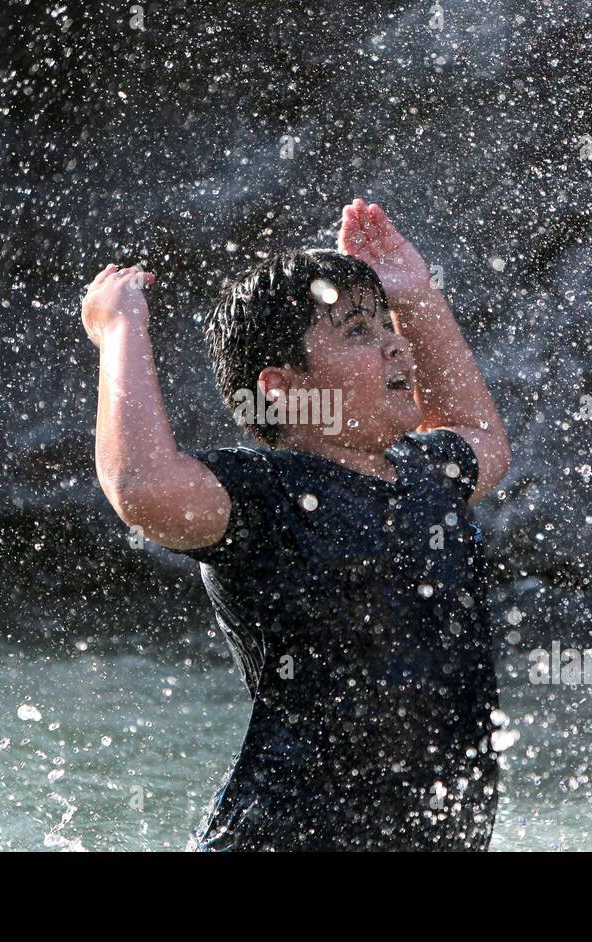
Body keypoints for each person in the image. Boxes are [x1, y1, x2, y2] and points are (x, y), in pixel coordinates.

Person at [82, 198, 511, 850]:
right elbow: (143, 487)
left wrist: (415, 297)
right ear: (282, 386)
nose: (394, 342)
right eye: (357, 331)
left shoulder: (430, 472)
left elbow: (482, 436)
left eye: (385, 325)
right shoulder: (268, 496)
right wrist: (120, 329)